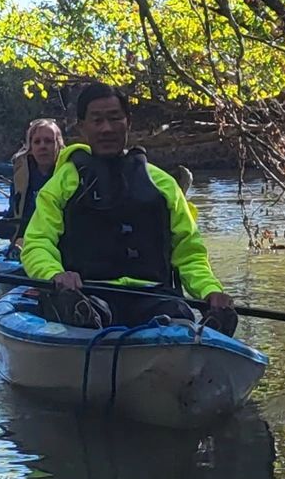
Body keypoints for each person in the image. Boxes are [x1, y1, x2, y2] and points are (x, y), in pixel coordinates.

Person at [19, 84, 236, 335]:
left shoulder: (163, 185)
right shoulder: (62, 184)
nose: (107, 128)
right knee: (89, 311)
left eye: (114, 118)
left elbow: (189, 254)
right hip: (88, 294)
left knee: (175, 315)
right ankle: (80, 318)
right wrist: (54, 274)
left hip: (154, 297)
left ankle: (195, 335)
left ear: (128, 122)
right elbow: (37, 243)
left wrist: (210, 290)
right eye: (97, 120)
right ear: (81, 127)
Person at [6, 117, 62, 232]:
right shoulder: (20, 177)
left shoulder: (70, 173)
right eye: (37, 142)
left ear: (59, 145)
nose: (43, 146)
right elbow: (12, 221)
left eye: (48, 141)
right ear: (31, 148)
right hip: (28, 240)